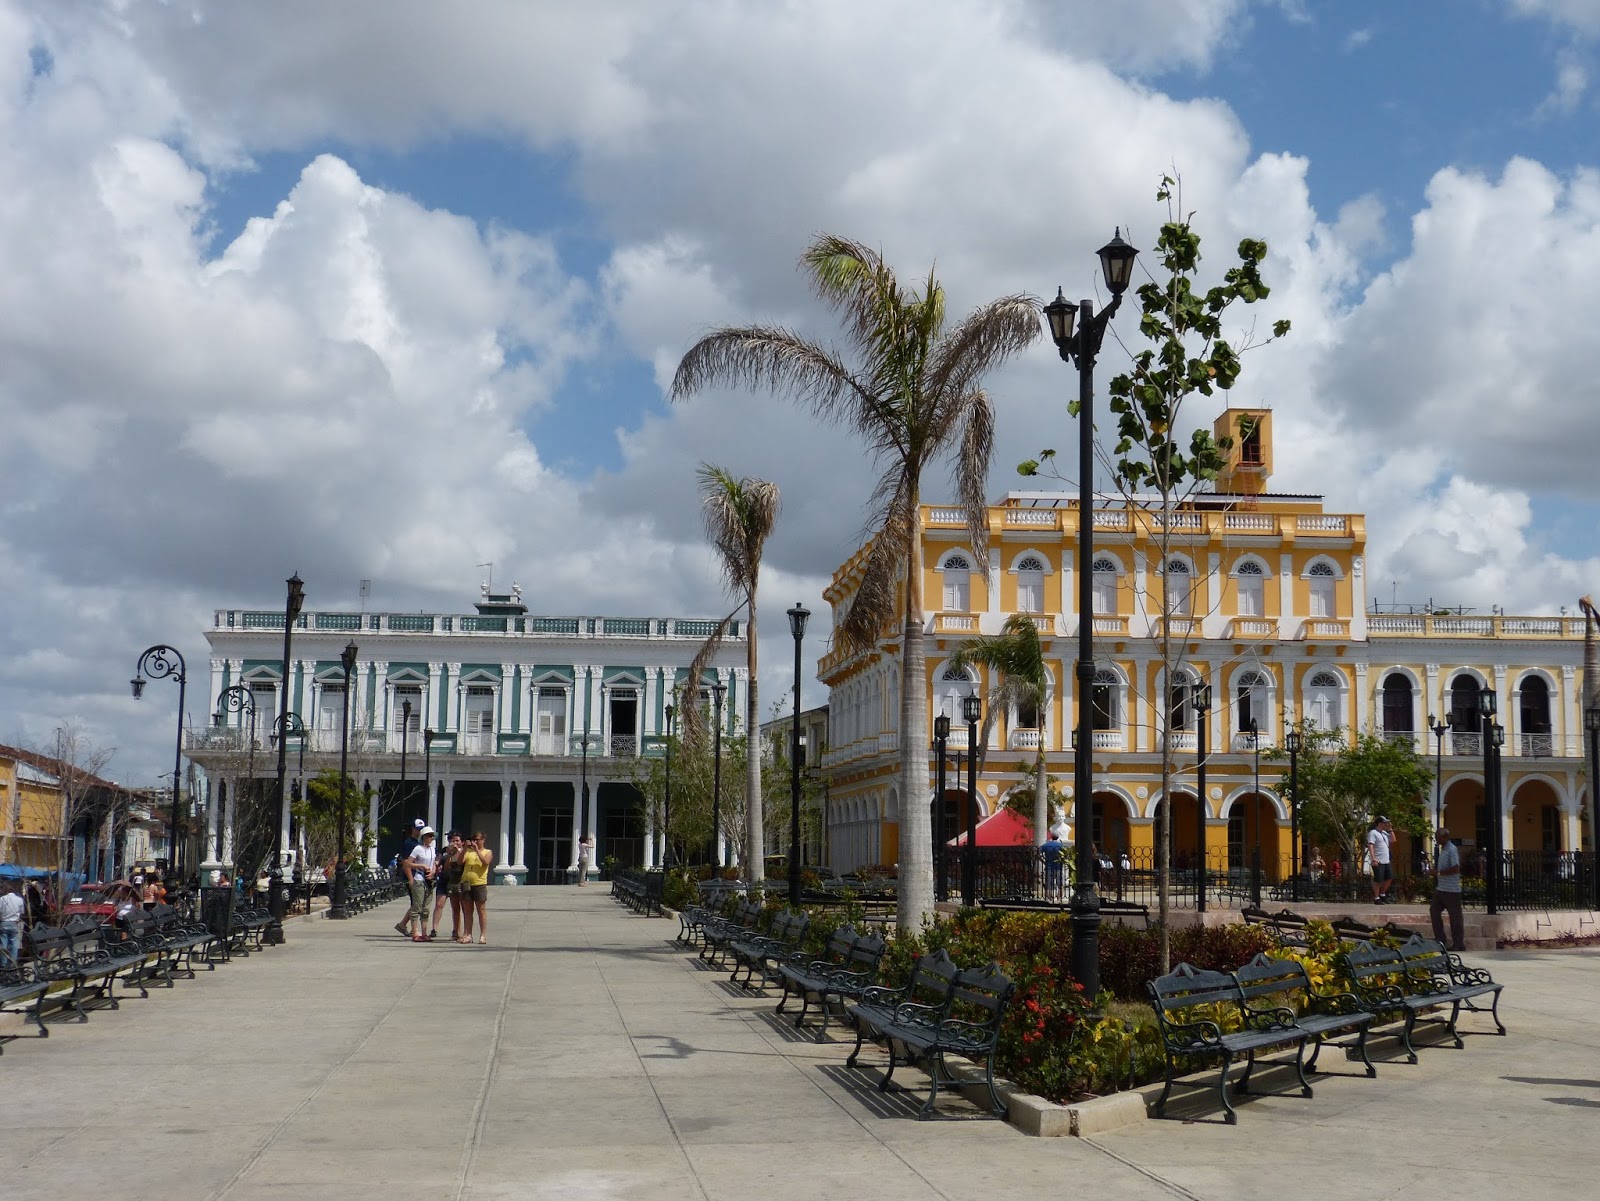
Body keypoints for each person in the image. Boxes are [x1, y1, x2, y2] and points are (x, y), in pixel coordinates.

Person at [1429, 827, 1466, 951]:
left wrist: (1438, 873)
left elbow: (1456, 868)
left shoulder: (1451, 849)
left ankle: (1458, 943)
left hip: (1452, 890)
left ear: (1445, 837)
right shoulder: (1444, 850)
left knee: (1455, 917)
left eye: (1438, 838)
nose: (1436, 840)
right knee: (1434, 910)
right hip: (1441, 888)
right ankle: (1440, 938)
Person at [401, 827, 438, 943]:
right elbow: (407, 863)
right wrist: (420, 866)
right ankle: (415, 932)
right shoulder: (418, 849)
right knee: (417, 906)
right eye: (429, 836)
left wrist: (432, 872)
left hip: (428, 880)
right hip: (419, 879)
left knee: (426, 907)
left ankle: (424, 932)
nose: (431, 838)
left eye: (432, 836)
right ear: (424, 837)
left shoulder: (432, 849)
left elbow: (434, 863)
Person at [458, 831, 493, 944]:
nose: (475, 842)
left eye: (478, 839)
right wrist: (464, 848)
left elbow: (486, 862)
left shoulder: (487, 852)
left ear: (483, 840)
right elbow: (459, 861)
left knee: (481, 909)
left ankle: (483, 935)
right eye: (474, 839)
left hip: (479, 883)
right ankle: (468, 934)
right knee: (467, 910)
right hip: (466, 882)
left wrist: (477, 850)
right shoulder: (468, 852)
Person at [394, 817, 427, 936]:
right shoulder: (409, 843)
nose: (420, 831)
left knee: (417, 903)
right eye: (418, 829)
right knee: (416, 904)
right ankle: (411, 927)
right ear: (413, 829)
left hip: (420, 876)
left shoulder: (420, 843)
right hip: (412, 876)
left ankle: (403, 924)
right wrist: (410, 879)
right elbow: (405, 862)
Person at [429, 832, 465, 941]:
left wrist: (457, 851)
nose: (453, 842)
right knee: (439, 904)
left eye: (456, 840)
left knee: (457, 908)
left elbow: (461, 862)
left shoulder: (464, 852)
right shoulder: (445, 851)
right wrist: (448, 855)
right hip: (444, 881)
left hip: (457, 882)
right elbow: (441, 863)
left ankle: (456, 931)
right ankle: (434, 929)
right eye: (451, 839)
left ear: (462, 842)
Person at [1366, 815, 1396, 904]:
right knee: (1378, 880)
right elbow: (1371, 845)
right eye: (1384, 823)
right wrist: (1373, 858)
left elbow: (1393, 840)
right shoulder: (1373, 833)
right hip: (1378, 860)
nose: (1386, 824)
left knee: (1390, 877)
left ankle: (1382, 894)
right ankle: (1376, 897)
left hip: (1386, 860)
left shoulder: (1384, 833)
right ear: (1379, 823)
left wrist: (1390, 829)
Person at [0, 881, 25, 964]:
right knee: (14, 944)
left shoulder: (2, 899)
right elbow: (21, 912)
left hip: (4, 922)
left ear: (5, 890)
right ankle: (13, 962)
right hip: (14, 923)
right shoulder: (19, 899)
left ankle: (3, 963)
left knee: (3, 944)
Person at [1041, 830, 1065, 901]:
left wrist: (1042, 860)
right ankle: (1059, 897)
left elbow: (1037, 852)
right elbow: (1064, 855)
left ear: (1051, 836)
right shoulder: (1060, 845)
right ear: (1058, 837)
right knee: (1060, 884)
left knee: (1048, 884)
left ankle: (1049, 897)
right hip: (1058, 866)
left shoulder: (1046, 845)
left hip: (1049, 866)